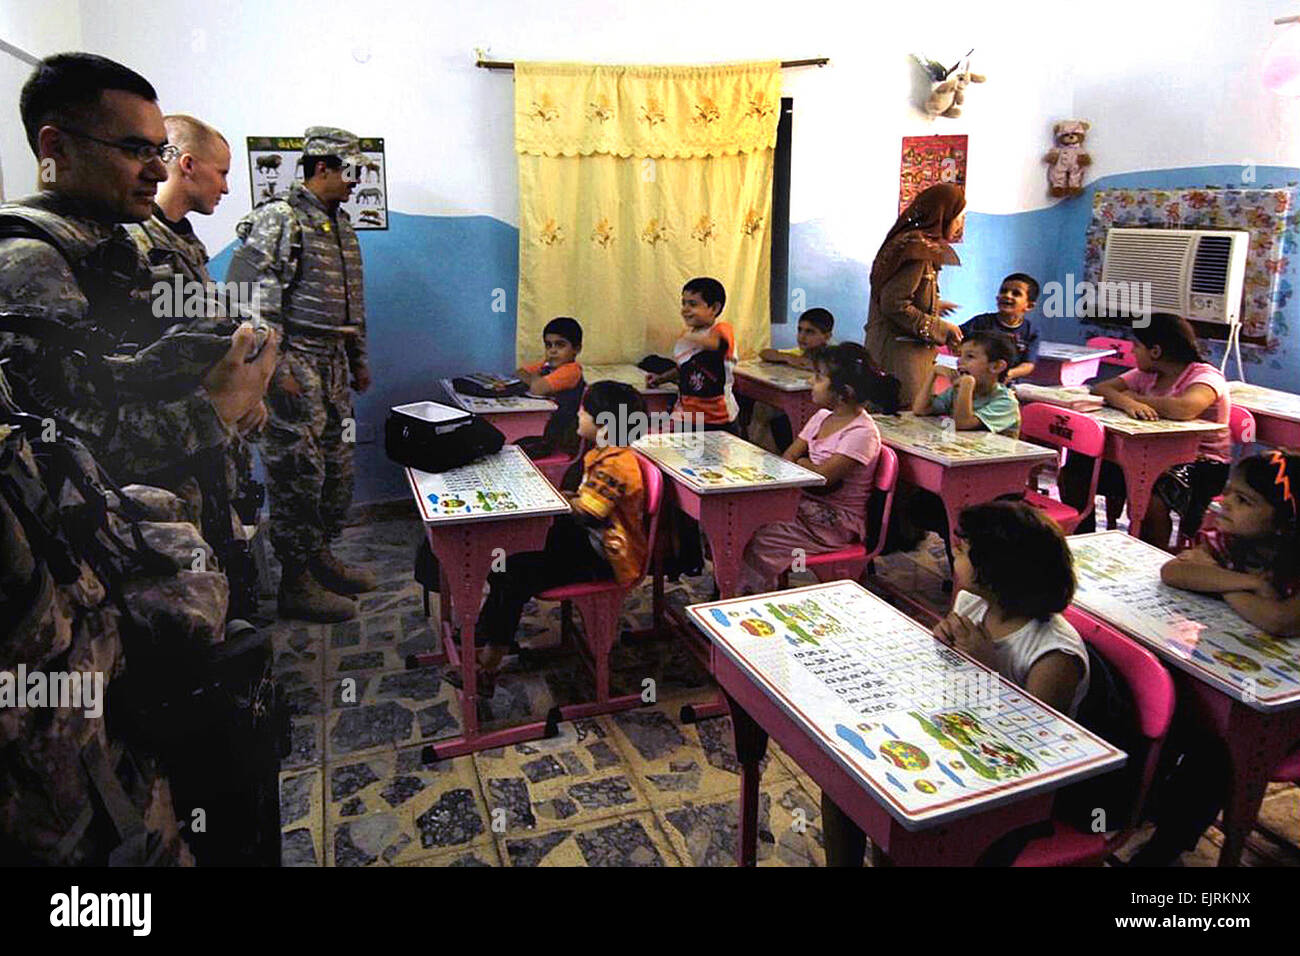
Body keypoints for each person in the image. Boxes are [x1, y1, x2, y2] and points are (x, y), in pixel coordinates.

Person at [0, 53, 274, 488]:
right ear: (56, 149)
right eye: (135, 150)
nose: (158, 170)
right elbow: (52, 456)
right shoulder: (27, 263)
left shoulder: (109, 245)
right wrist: (217, 405)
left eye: (159, 150)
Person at [821, 501, 1089, 866]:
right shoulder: (974, 604)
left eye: (962, 553)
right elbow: (949, 680)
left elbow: (1032, 745)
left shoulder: (1054, 653)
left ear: (997, 572)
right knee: (844, 781)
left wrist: (987, 669)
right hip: (960, 735)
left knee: (896, 816)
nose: (953, 555)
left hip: (1013, 790)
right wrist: (945, 642)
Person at [226, 126, 375, 622]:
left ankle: (319, 557)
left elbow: (353, 303)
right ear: (322, 168)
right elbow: (248, 298)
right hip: (294, 365)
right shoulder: (280, 219)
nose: (356, 182)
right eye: (350, 172)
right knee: (297, 476)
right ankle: (296, 582)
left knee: (336, 473)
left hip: (332, 366)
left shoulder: (342, 225)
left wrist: (358, 361)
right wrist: (276, 368)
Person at [123, 113, 264, 619]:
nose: (228, 186)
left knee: (225, 550)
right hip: (166, 450)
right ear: (188, 164)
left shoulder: (183, 240)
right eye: (222, 173)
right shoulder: (133, 246)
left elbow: (211, 328)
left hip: (210, 437)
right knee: (189, 581)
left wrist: (249, 393)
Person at [1130, 451, 1300, 866]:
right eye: (1227, 494)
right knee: (1171, 720)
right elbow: (1177, 572)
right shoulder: (1233, 543)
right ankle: (1143, 807)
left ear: (1283, 522)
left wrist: (1219, 583)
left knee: (1215, 756)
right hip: (1236, 679)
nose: (1224, 505)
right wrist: (1246, 583)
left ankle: (1170, 841)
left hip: (1284, 710)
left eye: (1243, 501)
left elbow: (1277, 618)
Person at [455, 382, 649, 694]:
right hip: (586, 544)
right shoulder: (604, 454)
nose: (577, 414)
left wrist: (553, 499)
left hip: (604, 558)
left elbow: (589, 512)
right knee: (508, 562)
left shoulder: (616, 464)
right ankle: (484, 637)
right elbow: (585, 504)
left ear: (605, 422)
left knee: (516, 570)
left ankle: (487, 662)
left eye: (584, 410)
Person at [737, 343, 896, 594]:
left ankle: (749, 597)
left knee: (761, 539)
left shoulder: (862, 433)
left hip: (834, 524)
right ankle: (741, 589)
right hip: (804, 506)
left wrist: (801, 464)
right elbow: (788, 457)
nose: (812, 381)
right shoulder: (821, 417)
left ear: (844, 392)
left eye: (819, 377)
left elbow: (821, 478)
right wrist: (802, 465)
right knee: (743, 522)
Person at [1059, 312, 1230, 544]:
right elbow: (1101, 389)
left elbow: (1185, 408)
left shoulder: (1204, 375)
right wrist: (1128, 402)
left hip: (1201, 463)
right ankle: (1084, 539)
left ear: (1156, 352)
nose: (1132, 352)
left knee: (1151, 498)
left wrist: (1133, 397)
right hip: (1146, 454)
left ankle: (1151, 553)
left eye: (1137, 346)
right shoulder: (1147, 374)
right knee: (1077, 471)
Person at [864, 183, 966, 406]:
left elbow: (902, 294)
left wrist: (935, 305)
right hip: (899, 359)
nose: (960, 224)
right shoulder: (916, 249)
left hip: (893, 351)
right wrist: (940, 327)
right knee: (900, 424)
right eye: (958, 217)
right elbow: (894, 304)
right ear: (943, 215)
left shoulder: (910, 243)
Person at [647, 276, 738, 434]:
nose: (685, 309)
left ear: (714, 308)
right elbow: (684, 368)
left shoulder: (721, 330)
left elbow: (716, 344)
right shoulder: (688, 336)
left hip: (717, 419)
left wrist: (677, 336)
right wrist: (660, 379)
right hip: (686, 415)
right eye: (684, 303)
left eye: (693, 304)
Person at [912, 331, 1022, 438]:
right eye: (960, 355)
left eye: (970, 356)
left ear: (996, 366)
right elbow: (921, 410)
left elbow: (962, 424)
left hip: (994, 455)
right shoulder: (955, 391)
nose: (959, 361)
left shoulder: (1006, 402)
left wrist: (967, 385)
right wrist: (933, 374)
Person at [753, 307, 834, 450]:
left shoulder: (832, 358)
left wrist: (811, 366)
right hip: (795, 409)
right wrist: (787, 358)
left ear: (827, 336)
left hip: (820, 415)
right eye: (799, 330)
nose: (802, 336)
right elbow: (765, 353)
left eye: (810, 332)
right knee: (761, 407)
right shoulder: (798, 353)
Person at [515, 316, 586, 460]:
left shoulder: (571, 371)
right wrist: (536, 378)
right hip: (549, 426)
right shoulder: (549, 365)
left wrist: (535, 378)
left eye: (560, 345)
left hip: (562, 435)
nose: (552, 351)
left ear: (576, 349)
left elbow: (537, 389)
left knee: (518, 447)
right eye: (548, 345)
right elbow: (519, 373)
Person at [957, 273, 1040, 382]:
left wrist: (1009, 374)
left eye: (1016, 293)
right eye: (1003, 291)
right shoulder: (980, 322)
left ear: (1029, 306)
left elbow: (1028, 364)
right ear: (997, 298)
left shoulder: (1031, 331)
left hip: (1008, 385)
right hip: (974, 381)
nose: (1007, 295)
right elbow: (955, 337)